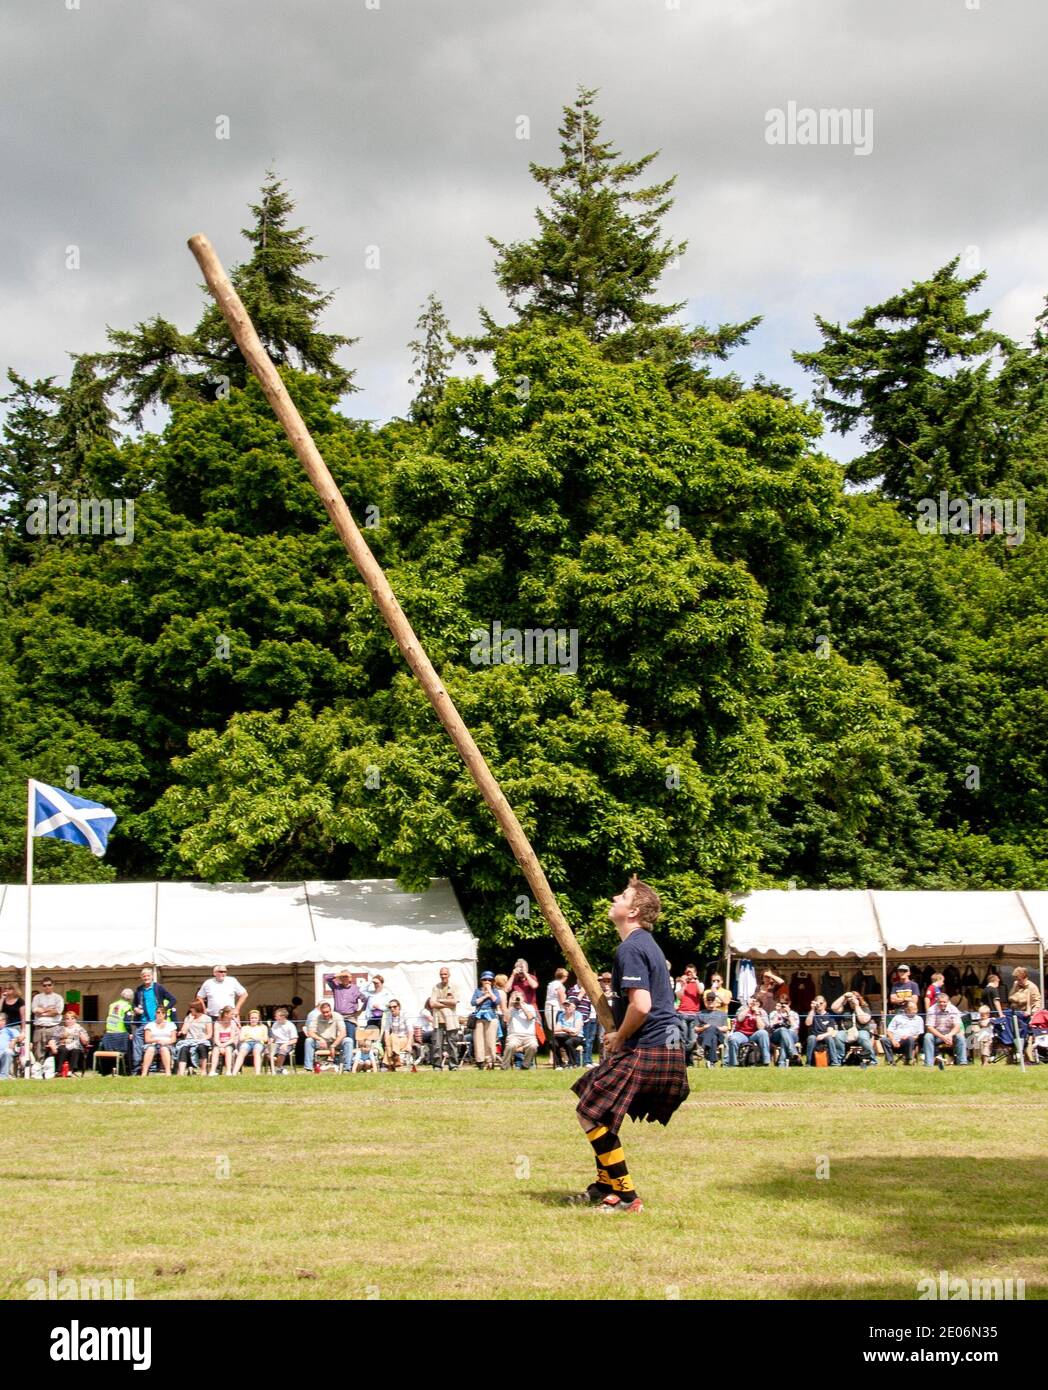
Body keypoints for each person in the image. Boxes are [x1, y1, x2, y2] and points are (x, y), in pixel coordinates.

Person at [570, 878, 688, 1213]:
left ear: (633, 911)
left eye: (621, 896)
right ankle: (605, 1184)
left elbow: (642, 1005)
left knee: (589, 1113)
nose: (613, 897)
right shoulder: (643, 944)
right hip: (662, 1046)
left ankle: (625, 1196)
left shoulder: (631, 948)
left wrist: (619, 1036)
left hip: (651, 1046)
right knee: (593, 1102)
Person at [130, 967, 177, 1075]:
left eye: (148, 976)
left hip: (157, 1022)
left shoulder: (158, 988)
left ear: (152, 976)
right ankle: (137, 1068)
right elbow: (134, 1004)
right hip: (143, 1022)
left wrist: (164, 1010)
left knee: (161, 1044)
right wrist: (136, 1009)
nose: (146, 978)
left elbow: (173, 999)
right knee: (137, 1044)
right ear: (141, 977)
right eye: (144, 976)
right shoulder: (139, 990)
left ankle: (157, 1068)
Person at [830, 990, 877, 1065]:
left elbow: (863, 1020)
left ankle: (872, 1060)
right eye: (850, 1000)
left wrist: (857, 1006)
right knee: (838, 1036)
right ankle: (838, 1061)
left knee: (863, 1037)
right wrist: (844, 996)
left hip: (861, 1030)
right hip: (846, 1031)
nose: (851, 1002)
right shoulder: (845, 1008)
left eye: (853, 1000)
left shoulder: (865, 1008)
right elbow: (833, 1008)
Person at [324, 969, 365, 1053]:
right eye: (343, 977)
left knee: (350, 1039)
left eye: (347, 977)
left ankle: (350, 1060)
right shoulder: (336, 986)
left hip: (350, 1017)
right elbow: (327, 978)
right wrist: (339, 974)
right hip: (337, 1017)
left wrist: (361, 1010)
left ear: (350, 978)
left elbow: (366, 1000)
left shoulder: (355, 988)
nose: (345, 978)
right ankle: (336, 1059)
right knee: (335, 1038)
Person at [923, 993, 968, 1068]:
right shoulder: (931, 1010)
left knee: (960, 1037)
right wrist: (942, 1037)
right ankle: (928, 1064)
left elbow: (957, 1025)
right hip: (937, 1036)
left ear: (948, 1001)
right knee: (927, 1036)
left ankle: (962, 1062)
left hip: (950, 1035)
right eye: (940, 1002)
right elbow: (930, 1027)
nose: (942, 1003)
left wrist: (950, 1035)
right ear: (937, 1001)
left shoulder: (953, 1009)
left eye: (944, 1002)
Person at [428, 967, 460, 1071]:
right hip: (438, 1019)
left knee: (452, 1043)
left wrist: (440, 1000)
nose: (443, 976)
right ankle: (437, 1065)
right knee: (437, 1044)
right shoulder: (435, 987)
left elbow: (455, 1002)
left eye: (445, 974)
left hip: (451, 1019)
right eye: (441, 974)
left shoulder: (454, 987)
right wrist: (447, 1003)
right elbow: (432, 1003)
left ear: (449, 975)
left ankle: (453, 1065)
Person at [725, 996, 771, 1066]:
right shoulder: (742, 1009)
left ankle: (765, 1061)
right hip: (741, 1033)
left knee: (763, 1033)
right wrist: (748, 1008)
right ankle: (733, 1064)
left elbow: (761, 1028)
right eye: (752, 1001)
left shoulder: (762, 1012)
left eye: (755, 1001)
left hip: (755, 1034)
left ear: (759, 1004)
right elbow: (739, 1019)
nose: (753, 1003)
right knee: (733, 1038)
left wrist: (757, 1013)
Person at [97, 988, 134, 1073]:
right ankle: (124, 1071)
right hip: (121, 1034)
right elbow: (127, 1021)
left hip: (109, 1033)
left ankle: (108, 1071)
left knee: (109, 1054)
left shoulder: (112, 1005)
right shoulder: (127, 1007)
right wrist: (130, 1032)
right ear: (130, 998)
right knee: (125, 1053)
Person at [500, 992, 539, 1070]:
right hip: (514, 1035)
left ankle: (525, 1065)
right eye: (514, 997)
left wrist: (521, 1005)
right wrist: (510, 1006)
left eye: (518, 997)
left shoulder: (530, 1007)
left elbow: (530, 1017)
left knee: (533, 1045)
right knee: (511, 1045)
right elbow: (505, 1020)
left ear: (523, 998)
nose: (516, 1000)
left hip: (529, 1035)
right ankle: (504, 1066)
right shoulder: (510, 1009)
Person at [470, 972, 501, 1070]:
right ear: (481, 981)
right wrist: (484, 996)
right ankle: (480, 1061)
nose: (487, 981)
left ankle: (490, 1061)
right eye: (485, 979)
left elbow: (497, 1001)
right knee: (478, 1040)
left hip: (491, 1017)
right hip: (479, 1017)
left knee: (490, 1040)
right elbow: (473, 1002)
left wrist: (490, 992)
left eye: (489, 980)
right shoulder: (477, 991)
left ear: (492, 982)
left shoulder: (495, 991)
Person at [304, 1001, 347, 1071]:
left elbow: (343, 1033)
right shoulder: (316, 1017)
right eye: (323, 1012)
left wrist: (334, 1045)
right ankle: (308, 1068)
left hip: (335, 1041)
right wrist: (320, 1039)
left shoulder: (337, 1016)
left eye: (327, 1012)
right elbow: (310, 1032)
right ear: (320, 1011)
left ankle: (346, 1068)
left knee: (348, 1041)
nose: (325, 1014)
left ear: (331, 1010)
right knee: (308, 1040)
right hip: (321, 1043)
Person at [30, 975, 65, 1060]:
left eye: (49, 985)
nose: (47, 987)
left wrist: (42, 1012)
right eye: (45, 985)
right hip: (39, 1027)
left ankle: (52, 1069)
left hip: (54, 1026)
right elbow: (35, 1010)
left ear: (53, 985)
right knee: (37, 1049)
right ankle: (38, 1067)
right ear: (42, 986)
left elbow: (57, 1012)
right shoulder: (37, 997)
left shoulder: (58, 997)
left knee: (54, 1049)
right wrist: (49, 1009)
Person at [674, 965, 703, 1064]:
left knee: (692, 1040)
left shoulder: (699, 983)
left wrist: (695, 979)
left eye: (691, 972)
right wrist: (684, 984)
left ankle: (684, 1058)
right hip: (682, 1014)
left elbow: (700, 991)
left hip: (694, 1015)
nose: (689, 974)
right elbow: (679, 996)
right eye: (687, 972)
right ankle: (686, 1060)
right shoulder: (680, 983)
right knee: (683, 1038)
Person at [175, 1000, 213, 1075]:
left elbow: (209, 1034)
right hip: (189, 1040)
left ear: (196, 1008)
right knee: (183, 1048)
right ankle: (181, 1073)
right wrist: (189, 1021)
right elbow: (184, 1031)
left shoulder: (207, 1018)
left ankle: (203, 1070)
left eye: (191, 1008)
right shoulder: (188, 1018)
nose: (190, 1010)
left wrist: (201, 1039)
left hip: (202, 1040)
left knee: (201, 1047)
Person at [48, 1010, 90, 1077]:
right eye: (67, 1019)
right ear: (64, 1020)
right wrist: (53, 1047)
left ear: (75, 1020)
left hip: (76, 1046)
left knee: (76, 1050)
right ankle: (59, 1071)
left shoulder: (80, 1028)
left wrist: (80, 1033)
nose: (70, 1020)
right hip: (62, 1045)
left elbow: (86, 1041)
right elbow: (53, 1039)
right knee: (63, 1049)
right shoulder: (60, 1028)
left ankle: (71, 1071)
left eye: (72, 1018)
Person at [567, 979, 597, 1068]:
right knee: (577, 1041)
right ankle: (576, 1061)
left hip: (588, 1019)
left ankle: (587, 1061)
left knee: (589, 1041)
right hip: (577, 1021)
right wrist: (581, 994)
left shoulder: (589, 990)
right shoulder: (572, 990)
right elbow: (571, 1005)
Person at [140, 1005, 177, 1078]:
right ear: (155, 1013)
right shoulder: (150, 1025)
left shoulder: (171, 1024)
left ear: (165, 1014)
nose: (160, 1014)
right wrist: (157, 1040)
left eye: (162, 1012)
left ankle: (168, 1072)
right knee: (150, 1049)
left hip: (167, 1044)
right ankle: (144, 1073)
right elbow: (147, 1039)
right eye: (158, 1012)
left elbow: (173, 1039)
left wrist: (165, 1042)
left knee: (164, 1049)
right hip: (153, 1044)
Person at [696, 990, 730, 1067]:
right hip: (703, 1036)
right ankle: (711, 1062)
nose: (710, 1001)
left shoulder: (722, 1014)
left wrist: (715, 1028)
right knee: (713, 1038)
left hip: (719, 1036)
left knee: (712, 1028)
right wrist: (704, 1027)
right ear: (705, 1001)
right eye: (708, 1000)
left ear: (716, 1001)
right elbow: (696, 1029)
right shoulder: (700, 1013)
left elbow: (726, 1028)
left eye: (712, 1000)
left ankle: (703, 1048)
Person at [884, 1000, 924, 1065]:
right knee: (884, 1040)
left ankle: (908, 1060)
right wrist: (893, 1040)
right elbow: (889, 1030)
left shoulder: (919, 1019)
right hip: (895, 1041)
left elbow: (919, 1035)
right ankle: (890, 1061)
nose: (915, 1011)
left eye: (916, 1009)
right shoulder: (897, 1017)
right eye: (913, 1009)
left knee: (910, 1039)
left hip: (908, 1042)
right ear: (906, 1010)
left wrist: (909, 1037)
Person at [0, 982, 26, 1079]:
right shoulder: (4, 1000)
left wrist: (23, 1031)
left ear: (14, 989)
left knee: (13, 1050)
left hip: (16, 1027)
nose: (7, 990)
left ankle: (13, 1073)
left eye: (9, 988)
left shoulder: (20, 1001)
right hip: (4, 1028)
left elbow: (23, 1017)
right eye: (5, 988)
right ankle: (6, 1072)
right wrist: (2, 998)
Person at [232, 1009, 269, 1076]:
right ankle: (234, 1073)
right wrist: (251, 1037)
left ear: (258, 1019)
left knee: (256, 1051)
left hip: (259, 1043)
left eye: (255, 1018)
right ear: (249, 1018)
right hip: (247, 1043)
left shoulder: (263, 1027)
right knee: (242, 1051)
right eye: (252, 1018)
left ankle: (257, 1073)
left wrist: (255, 1038)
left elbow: (266, 1039)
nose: (253, 1019)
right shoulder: (244, 1027)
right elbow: (241, 1038)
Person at [382, 999, 414, 1071]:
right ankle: (396, 1058)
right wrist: (387, 1044)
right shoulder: (388, 1016)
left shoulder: (405, 1014)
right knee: (392, 1037)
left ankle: (388, 1064)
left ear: (399, 1007)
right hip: (393, 1041)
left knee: (392, 1036)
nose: (392, 1009)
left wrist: (409, 1044)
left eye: (394, 1007)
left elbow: (410, 1031)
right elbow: (386, 1031)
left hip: (404, 1038)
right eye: (390, 1007)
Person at [553, 997, 585, 1069]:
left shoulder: (578, 1015)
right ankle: (559, 1064)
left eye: (569, 1005)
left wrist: (564, 1029)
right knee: (553, 1042)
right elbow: (555, 1030)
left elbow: (576, 1032)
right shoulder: (561, 1015)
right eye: (565, 1005)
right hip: (564, 1036)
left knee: (568, 1042)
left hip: (577, 1037)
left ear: (574, 1007)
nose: (567, 1007)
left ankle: (572, 1063)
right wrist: (566, 1029)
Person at [768, 999, 800, 1067]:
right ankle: (792, 1052)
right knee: (783, 1030)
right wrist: (778, 1013)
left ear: (789, 1003)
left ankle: (781, 1063)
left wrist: (789, 1014)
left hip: (792, 1034)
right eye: (781, 1003)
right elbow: (771, 1026)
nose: (783, 1006)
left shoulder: (794, 1014)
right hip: (776, 1035)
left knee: (784, 1039)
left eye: (785, 1003)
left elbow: (795, 1027)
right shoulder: (773, 1013)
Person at [210, 1006, 241, 1075]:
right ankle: (212, 1071)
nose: (233, 1016)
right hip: (219, 1042)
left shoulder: (233, 1023)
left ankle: (228, 1071)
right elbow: (216, 1038)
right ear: (226, 1014)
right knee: (215, 1050)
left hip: (229, 1042)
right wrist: (220, 1046)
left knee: (228, 1049)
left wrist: (223, 1045)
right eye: (232, 1014)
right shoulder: (217, 1023)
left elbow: (232, 1039)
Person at [544, 968, 569, 1053]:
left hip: (548, 1008)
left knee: (552, 1031)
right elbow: (562, 1001)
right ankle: (556, 1054)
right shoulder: (560, 986)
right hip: (556, 1009)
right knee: (558, 1031)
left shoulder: (551, 984)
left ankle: (553, 1055)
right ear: (564, 976)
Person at [268, 1007, 297, 1072]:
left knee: (282, 1051)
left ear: (283, 1016)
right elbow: (273, 1037)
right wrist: (271, 1041)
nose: (275, 1018)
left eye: (277, 1016)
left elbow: (294, 1040)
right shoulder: (275, 1024)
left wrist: (286, 1044)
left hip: (288, 1043)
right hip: (277, 1043)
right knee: (267, 1051)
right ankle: (279, 1065)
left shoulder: (290, 1025)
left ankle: (278, 1069)